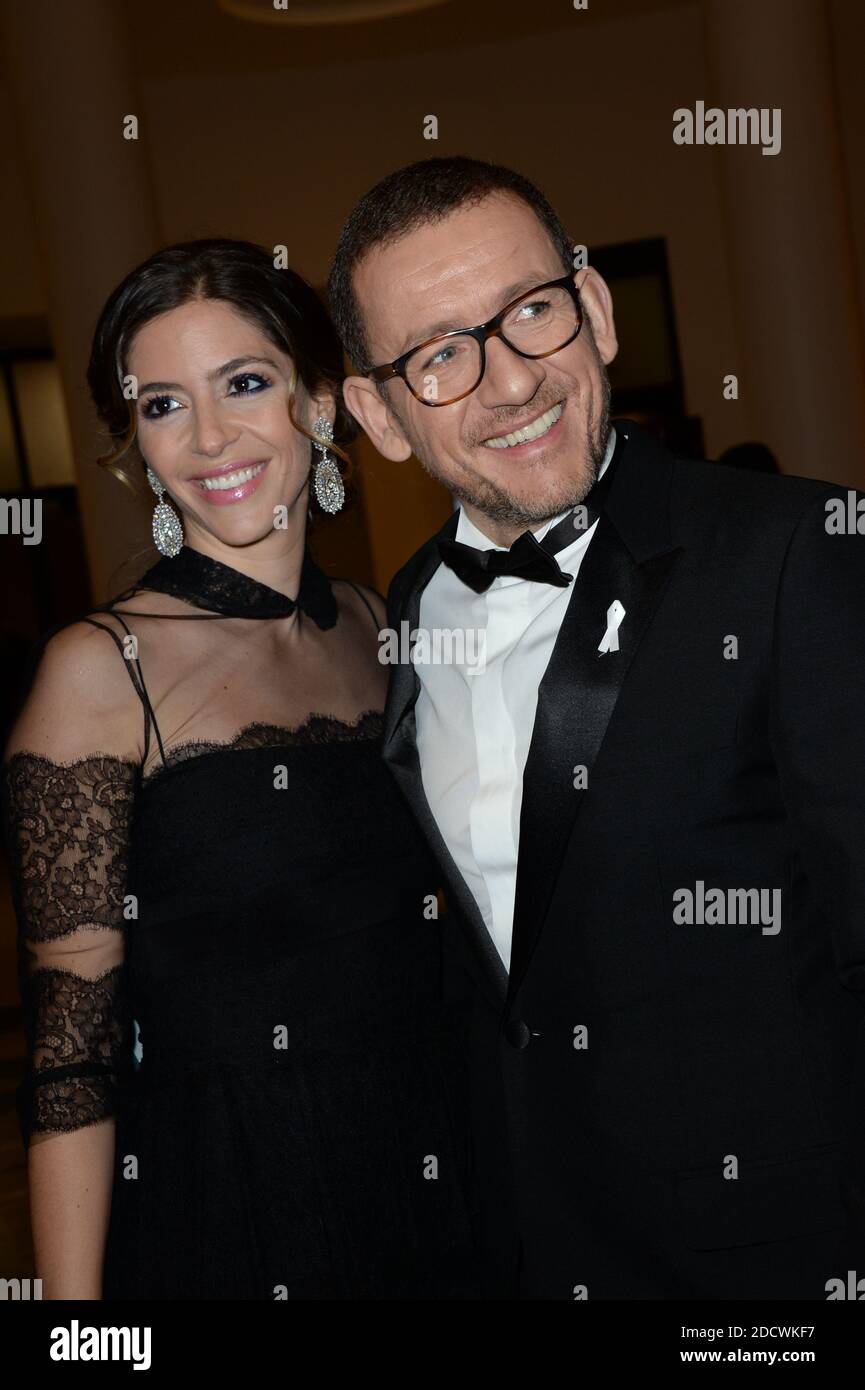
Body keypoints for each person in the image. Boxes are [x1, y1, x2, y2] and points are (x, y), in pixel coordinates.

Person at [327, 155, 865, 1300]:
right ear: (374, 412)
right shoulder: (406, 613)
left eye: (530, 312)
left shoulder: (792, 552)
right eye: (439, 354)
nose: (510, 380)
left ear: (597, 310)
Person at [0, 238, 480, 1300]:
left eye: (244, 384)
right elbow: (72, 1059)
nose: (208, 435)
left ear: (320, 402)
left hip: (435, 1179)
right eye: (162, 403)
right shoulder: (99, 670)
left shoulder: (376, 623)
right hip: (234, 1202)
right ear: (134, 442)